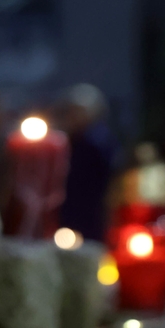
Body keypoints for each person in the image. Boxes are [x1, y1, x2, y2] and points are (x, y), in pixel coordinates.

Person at [57, 84, 117, 242]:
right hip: (70, 212)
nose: (73, 116)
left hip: (93, 214)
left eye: (78, 111)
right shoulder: (67, 142)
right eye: (71, 111)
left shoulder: (99, 143)